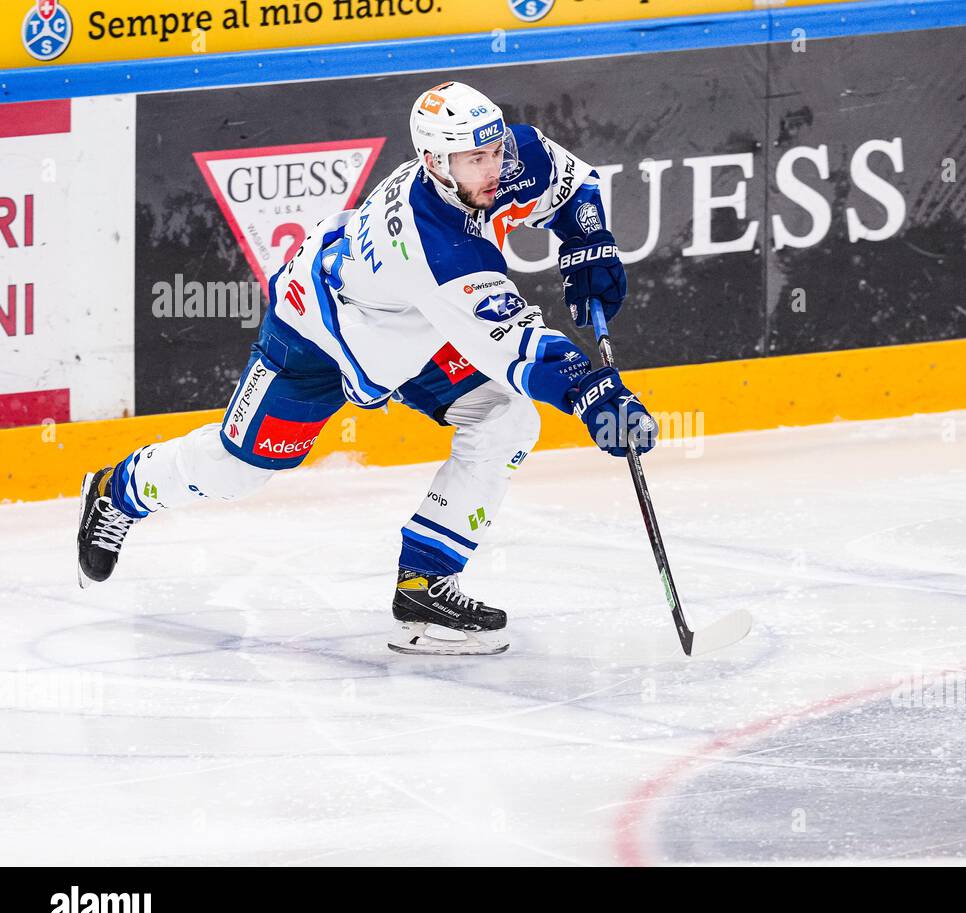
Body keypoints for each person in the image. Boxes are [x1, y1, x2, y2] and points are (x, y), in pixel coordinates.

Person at [75, 81, 657, 654]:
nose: (495, 168)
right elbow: (517, 345)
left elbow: (575, 184)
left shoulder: (501, 162)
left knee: (504, 418)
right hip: (319, 333)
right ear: (434, 161)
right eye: (475, 158)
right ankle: (117, 490)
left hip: (418, 326)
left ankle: (424, 582)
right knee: (240, 470)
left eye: (496, 149)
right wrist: (597, 395)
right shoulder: (436, 247)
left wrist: (590, 242)